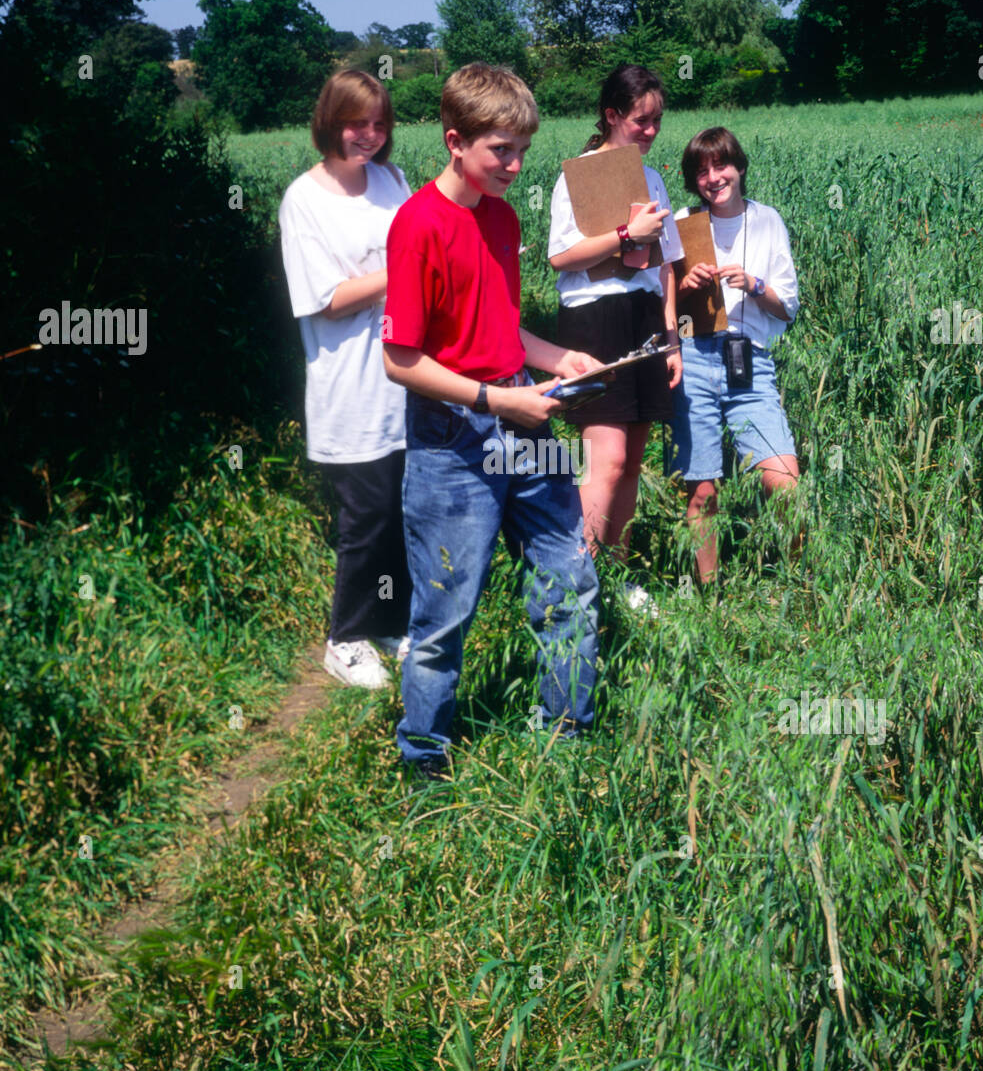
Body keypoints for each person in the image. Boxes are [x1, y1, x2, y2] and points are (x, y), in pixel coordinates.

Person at [381, 62, 604, 782]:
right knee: (446, 617)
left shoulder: (501, 218)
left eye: (521, 150)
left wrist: (558, 356)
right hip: (453, 438)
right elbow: (401, 360)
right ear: (455, 140)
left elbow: (502, 328)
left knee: (570, 581)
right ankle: (423, 764)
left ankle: (564, 738)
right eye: (499, 151)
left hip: (521, 415)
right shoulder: (417, 226)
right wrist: (495, 401)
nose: (513, 165)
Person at [278, 68, 413, 689]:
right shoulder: (303, 199)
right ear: (331, 122)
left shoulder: (391, 179)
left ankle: (390, 620)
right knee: (364, 515)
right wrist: (404, 269)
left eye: (380, 124)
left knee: (402, 505)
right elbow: (326, 299)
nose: (370, 135)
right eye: (358, 123)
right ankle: (345, 637)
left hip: (405, 371)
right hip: (349, 383)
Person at [546, 64, 682, 614]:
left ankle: (617, 575)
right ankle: (580, 580)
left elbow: (668, 262)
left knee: (632, 462)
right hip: (594, 320)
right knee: (607, 457)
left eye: (657, 121)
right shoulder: (578, 175)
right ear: (611, 115)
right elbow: (561, 257)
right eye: (640, 120)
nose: (650, 131)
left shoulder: (652, 179)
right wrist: (626, 234)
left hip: (645, 316)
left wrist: (672, 337)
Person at [667, 126, 800, 583]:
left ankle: (799, 585)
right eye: (701, 171)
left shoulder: (768, 221)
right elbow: (666, 313)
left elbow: (789, 307)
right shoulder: (682, 223)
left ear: (739, 168)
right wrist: (685, 289)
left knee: (784, 483)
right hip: (695, 356)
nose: (713, 177)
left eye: (721, 165)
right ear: (692, 181)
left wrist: (756, 285)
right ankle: (710, 596)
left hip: (750, 360)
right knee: (703, 490)